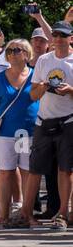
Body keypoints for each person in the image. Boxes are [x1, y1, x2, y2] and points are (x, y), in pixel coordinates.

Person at [0, 38, 37, 227]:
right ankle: (3, 215)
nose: (12, 53)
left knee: (28, 172)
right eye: (9, 50)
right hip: (5, 133)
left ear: (27, 54)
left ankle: (27, 214)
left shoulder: (35, 75)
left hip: (29, 131)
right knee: (5, 172)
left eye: (17, 50)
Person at [26, 17, 73, 230]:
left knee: (65, 170)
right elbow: (33, 95)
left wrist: (70, 91)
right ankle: (26, 212)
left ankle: (62, 214)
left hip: (68, 121)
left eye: (63, 35)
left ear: (71, 38)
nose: (58, 38)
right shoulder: (44, 60)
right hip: (43, 122)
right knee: (35, 169)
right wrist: (44, 87)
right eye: (55, 34)